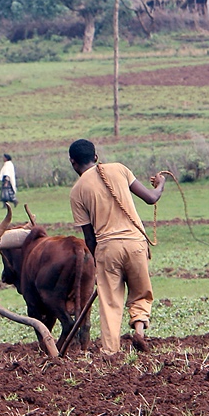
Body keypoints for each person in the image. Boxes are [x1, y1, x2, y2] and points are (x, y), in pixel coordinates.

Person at [67, 139, 165, 355]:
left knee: (110, 303)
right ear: (96, 157)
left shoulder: (77, 192)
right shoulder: (119, 169)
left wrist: (96, 265)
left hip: (107, 249)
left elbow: (89, 238)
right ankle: (139, 330)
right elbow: (151, 198)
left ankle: (111, 353)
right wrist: (160, 184)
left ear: (73, 163)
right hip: (136, 244)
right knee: (140, 293)